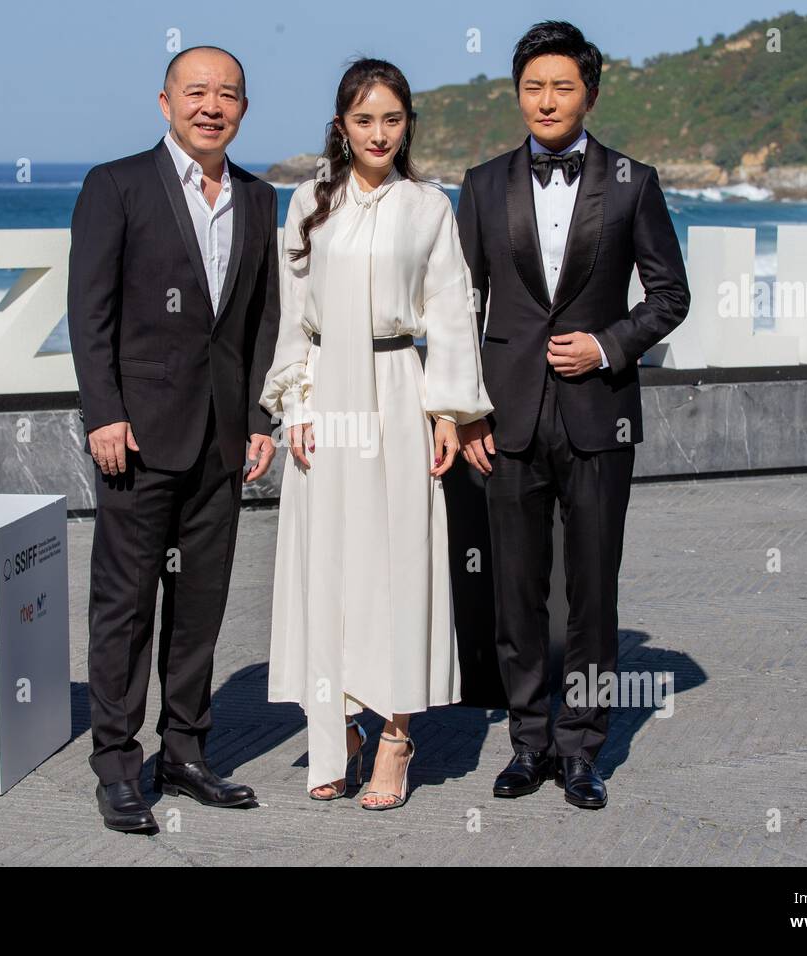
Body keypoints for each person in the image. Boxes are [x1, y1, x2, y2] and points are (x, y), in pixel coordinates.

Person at [455, 21, 690, 809]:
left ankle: (582, 746)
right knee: (516, 591)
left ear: (591, 91)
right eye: (532, 86)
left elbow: (669, 297)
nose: (546, 100)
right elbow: (460, 307)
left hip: (599, 419)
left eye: (562, 86)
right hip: (507, 419)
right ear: (516, 93)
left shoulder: (634, 181)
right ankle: (527, 743)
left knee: (592, 590)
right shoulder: (482, 183)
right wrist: (465, 413)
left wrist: (608, 344)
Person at [260, 58, 493, 810]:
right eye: (364, 119)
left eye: (392, 119)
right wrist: (294, 403)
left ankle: (394, 734)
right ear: (341, 126)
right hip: (326, 391)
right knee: (326, 565)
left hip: (397, 390)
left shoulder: (428, 206)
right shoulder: (305, 204)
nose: (379, 133)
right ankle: (335, 732)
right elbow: (292, 312)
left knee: (398, 564)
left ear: (408, 125)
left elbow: (452, 311)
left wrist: (451, 412)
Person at [67, 45, 280, 834]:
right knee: (123, 605)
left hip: (223, 439)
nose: (211, 106)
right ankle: (117, 764)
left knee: (200, 605)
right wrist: (103, 413)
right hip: (138, 438)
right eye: (196, 92)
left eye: (227, 95)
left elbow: (262, 321)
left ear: (243, 110)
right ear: (165, 103)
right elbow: (89, 311)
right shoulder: (115, 185)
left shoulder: (260, 200)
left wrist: (260, 419)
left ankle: (186, 753)